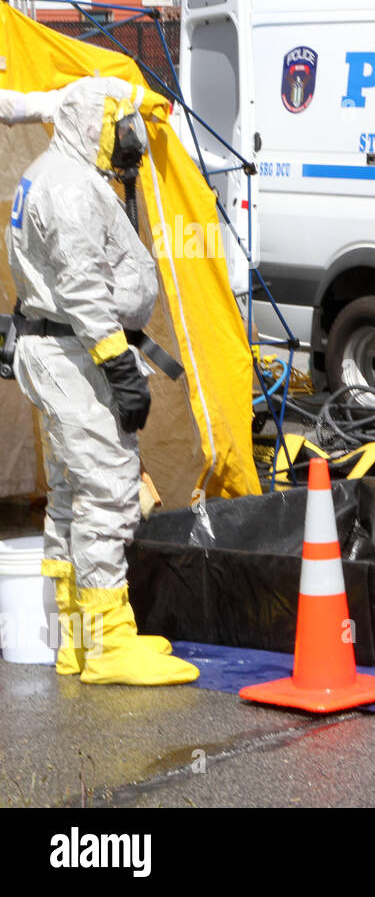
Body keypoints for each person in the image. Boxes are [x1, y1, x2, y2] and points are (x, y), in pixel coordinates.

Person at [3, 76, 198, 685]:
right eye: (124, 123)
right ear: (95, 121)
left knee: (69, 496)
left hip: (66, 352)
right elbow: (84, 288)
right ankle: (110, 643)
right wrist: (118, 366)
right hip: (77, 357)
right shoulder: (69, 188)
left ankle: (78, 640)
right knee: (109, 494)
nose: (132, 139)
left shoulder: (60, 173)